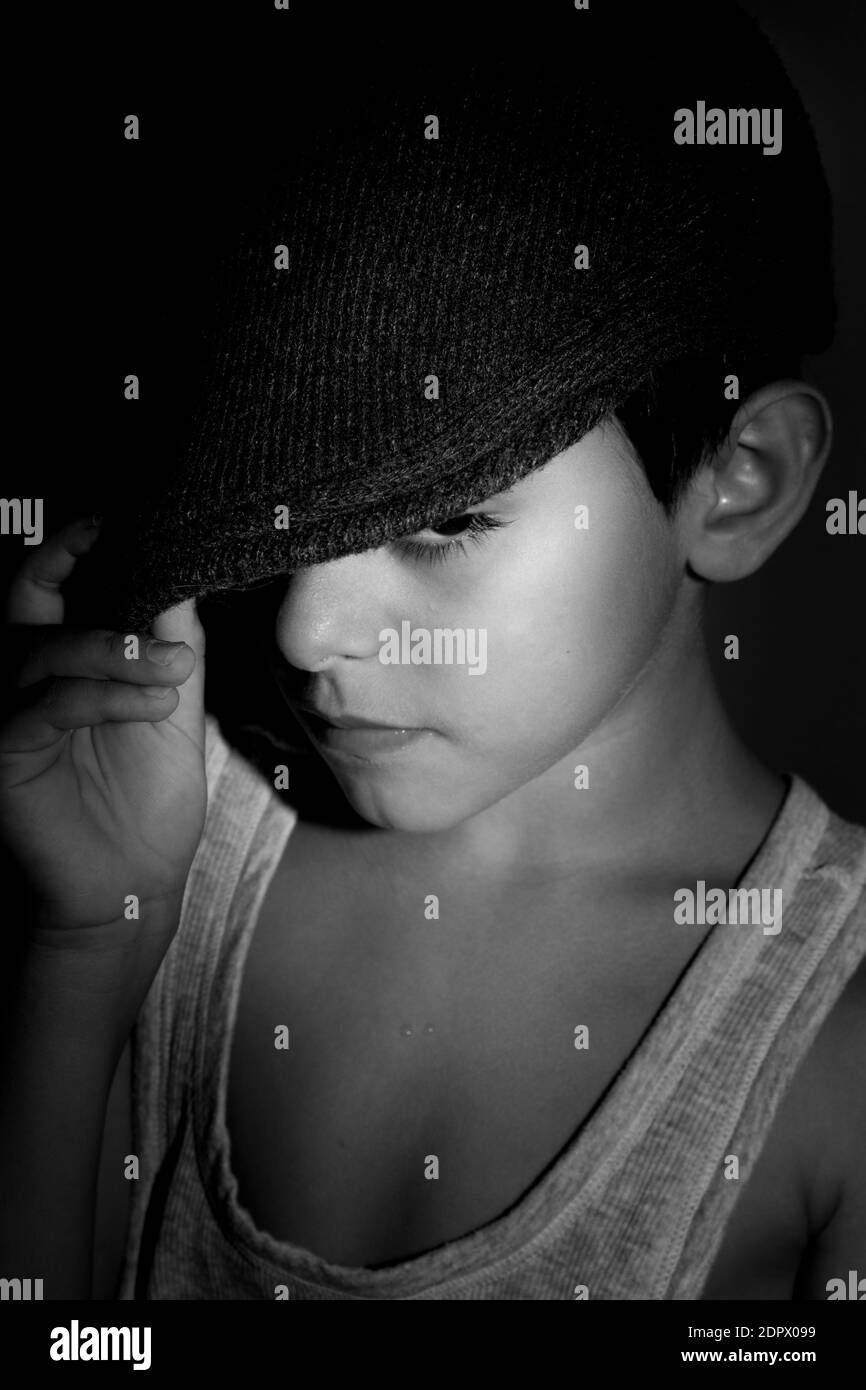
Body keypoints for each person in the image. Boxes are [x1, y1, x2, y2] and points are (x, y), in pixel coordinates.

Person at [1, 2, 863, 1301]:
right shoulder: (181, 838)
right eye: (271, 511)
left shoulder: (829, 1038)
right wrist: (82, 950)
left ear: (736, 483)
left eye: (443, 520)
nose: (301, 630)